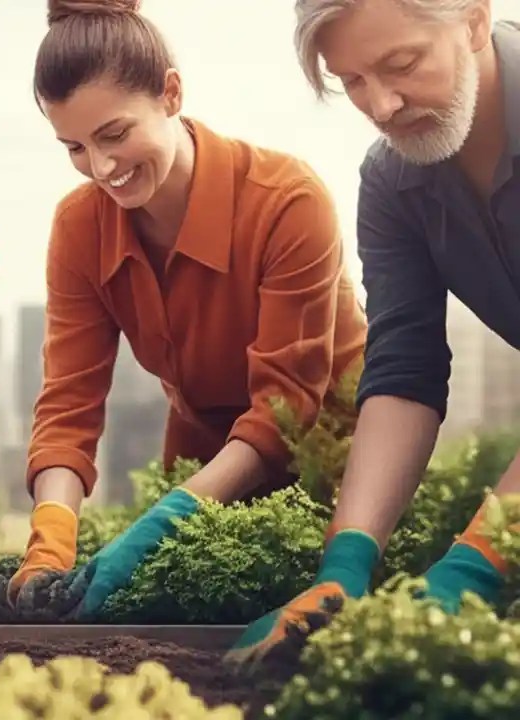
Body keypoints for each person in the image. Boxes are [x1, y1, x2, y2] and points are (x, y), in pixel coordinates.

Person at [8, 0, 369, 622]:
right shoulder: (78, 227)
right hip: (204, 466)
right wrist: (51, 542)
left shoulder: (288, 201)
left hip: (333, 466)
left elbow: (284, 412)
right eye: (73, 147)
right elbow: (69, 405)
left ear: (171, 94)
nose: (101, 168)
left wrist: (165, 520)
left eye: (115, 134)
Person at [228, 0, 520, 665]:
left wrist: (473, 565)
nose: (382, 106)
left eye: (402, 65)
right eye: (352, 81)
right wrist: (346, 564)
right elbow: (405, 370)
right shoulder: (392, 183)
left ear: (474, 20)